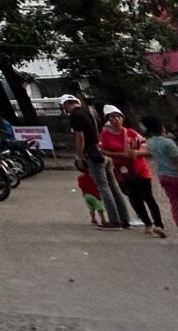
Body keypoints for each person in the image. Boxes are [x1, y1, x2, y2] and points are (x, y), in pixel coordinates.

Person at [62, 93, 130, 229]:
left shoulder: (76, 116)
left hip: (92, 153)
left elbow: (80, 136)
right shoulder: (90, 112)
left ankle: (114, 221)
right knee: (113, 186)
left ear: (66, 105)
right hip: (102, 151)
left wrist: (79, 156)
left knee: (103, 188)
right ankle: (124, 219)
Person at [100, 106, 165, 237]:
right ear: (108, 120)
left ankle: (159, 224)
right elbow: (102, 150)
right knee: (135, 198)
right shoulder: (105, 136)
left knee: (149, 197)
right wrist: (120, 154)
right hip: (123, 171)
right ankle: (147, 223)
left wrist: (137, 152)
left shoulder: (131, 133)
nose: (116, 120)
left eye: (118, 116)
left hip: (140, 169)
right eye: (113, 117)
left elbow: (146, 148)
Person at [142, 116, 178, 229]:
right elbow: (176, 161)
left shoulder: (150, 143)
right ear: (161, 127)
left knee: (175, 204)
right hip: (175, 175)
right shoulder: (169, 143)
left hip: (164, 176)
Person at [75, 157, 109, 228]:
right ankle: (103, 220)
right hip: (95, 195)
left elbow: (80, 186)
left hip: (86, 195)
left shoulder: (80, 178)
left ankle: (93, 219)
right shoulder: (92, 176)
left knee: (92, 208)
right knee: (100, 209)